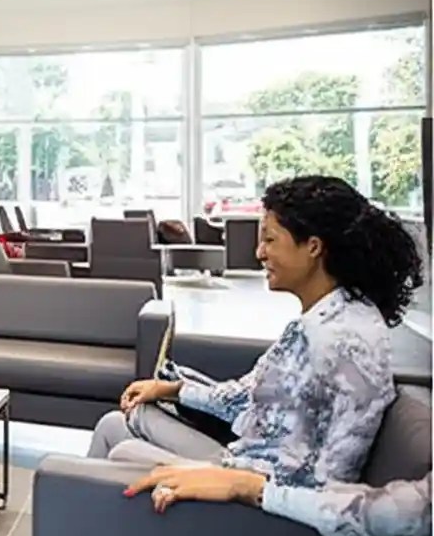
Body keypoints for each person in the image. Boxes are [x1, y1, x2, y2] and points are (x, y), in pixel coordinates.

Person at [88, 175, 423, 487]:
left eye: (270, 240)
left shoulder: (337, 341)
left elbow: (320, 479)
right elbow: (246, 397)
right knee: (118, 422)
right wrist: (171, 389)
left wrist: (231, 483)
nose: (259, 252)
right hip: (249, 459)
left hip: (257, 488)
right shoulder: (333, 318)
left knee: (121, 452)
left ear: (313, 247)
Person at [124, 465, 431, 536]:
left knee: (124, 446)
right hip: (281, 480)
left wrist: (254, 487)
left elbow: (393, 515)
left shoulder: (323, 334)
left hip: (275, 477)